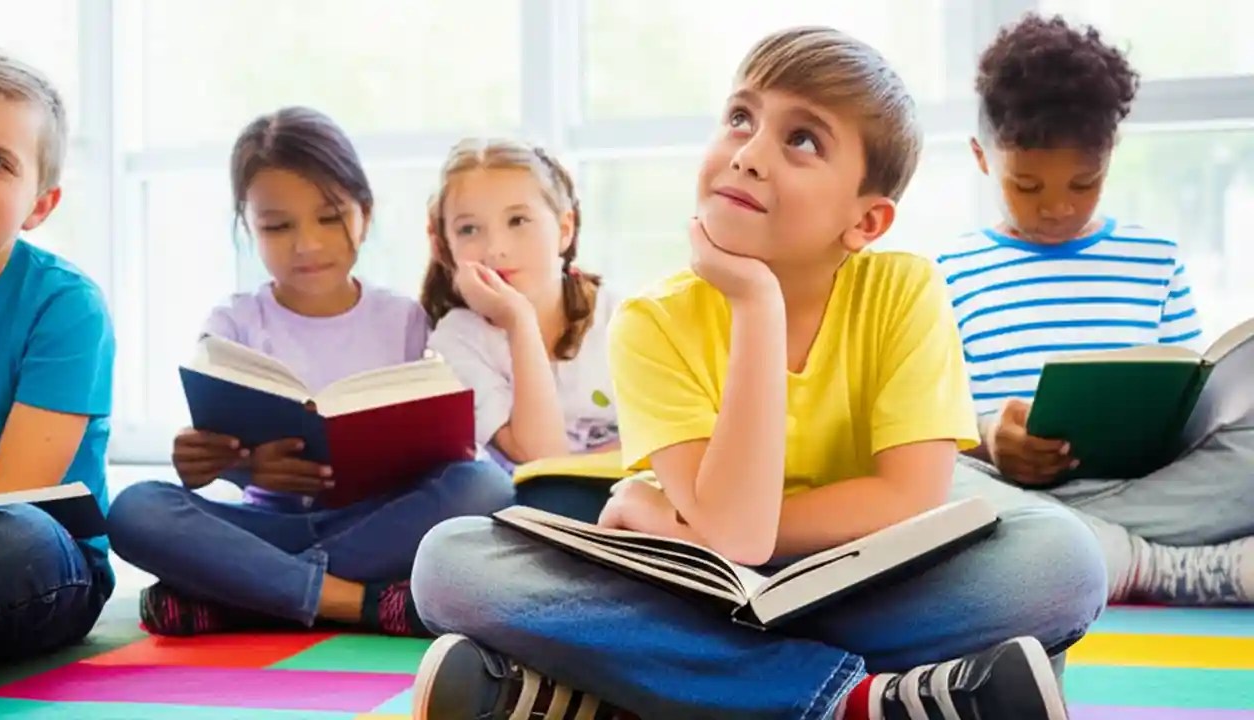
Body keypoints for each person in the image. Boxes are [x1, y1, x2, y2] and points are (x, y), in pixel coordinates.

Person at [406, 27, 1106, 720]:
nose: (747, 155)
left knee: (1061, 561)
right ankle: (863, 700)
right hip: (700, 584)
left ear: (866, 220)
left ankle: (610, 691)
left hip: (864, 570)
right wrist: (755, 303)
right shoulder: (651, 321)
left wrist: (689, 532)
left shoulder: (906, 290)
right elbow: (736, 541)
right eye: (741, 118)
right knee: (450, 565)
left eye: (801, 140)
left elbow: (905, 497)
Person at [105, 107, 514, 638]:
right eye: (277, 226)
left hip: (374, 524)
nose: (307, 244)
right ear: (248, 227)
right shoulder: (232, 323)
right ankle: (357, 602)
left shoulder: (406, 319)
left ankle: (242, 597)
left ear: (364, 213)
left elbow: (444, 450)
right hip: (265, 526)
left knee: (486, 486)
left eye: (330, 217)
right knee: (136, 508)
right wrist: (233, 464)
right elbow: (219, 450)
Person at [939, 13, 1254, 606]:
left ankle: (1088, 554)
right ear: (983, 158)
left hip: (1146, 490)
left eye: (1084, 183)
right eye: (1027, 187)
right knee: (933, 490)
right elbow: (932, 424)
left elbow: (1195, 391)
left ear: (1111, 155)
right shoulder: (948, 272)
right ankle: (1163, 566)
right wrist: (988, 437)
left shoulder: (1153, 259)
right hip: (1010, 497)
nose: (1058, 208)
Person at [0, 50, 116, 661]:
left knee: (16, 538)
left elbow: (15, 493)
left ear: (39, 205)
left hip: (41, 550)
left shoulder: (66, 306)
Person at [423, 138, 621, 521]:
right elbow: (541, 458)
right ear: (444, 246)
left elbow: (660, 449)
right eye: (468, 230)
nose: (495, 248)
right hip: (536, 513)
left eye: (518, 221)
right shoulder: (456, 340)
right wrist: (519, 320)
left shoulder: (620, 315)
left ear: (565, 229)